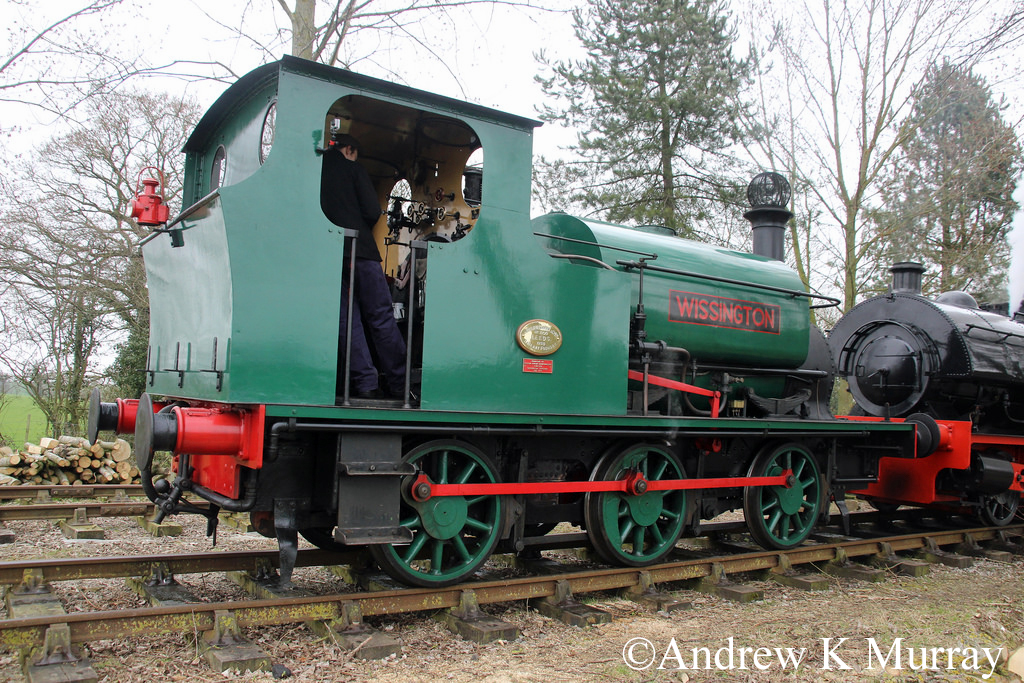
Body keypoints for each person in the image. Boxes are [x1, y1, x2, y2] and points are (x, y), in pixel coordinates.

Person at [321, 133, 407, 400]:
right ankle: (399, 383)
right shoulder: (353, 168)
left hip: (331, 253)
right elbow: (372, 210)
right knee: (381, 316)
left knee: (348, 321)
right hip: (362, 253)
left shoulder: (315, 170)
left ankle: (365, 384)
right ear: (349, 149)